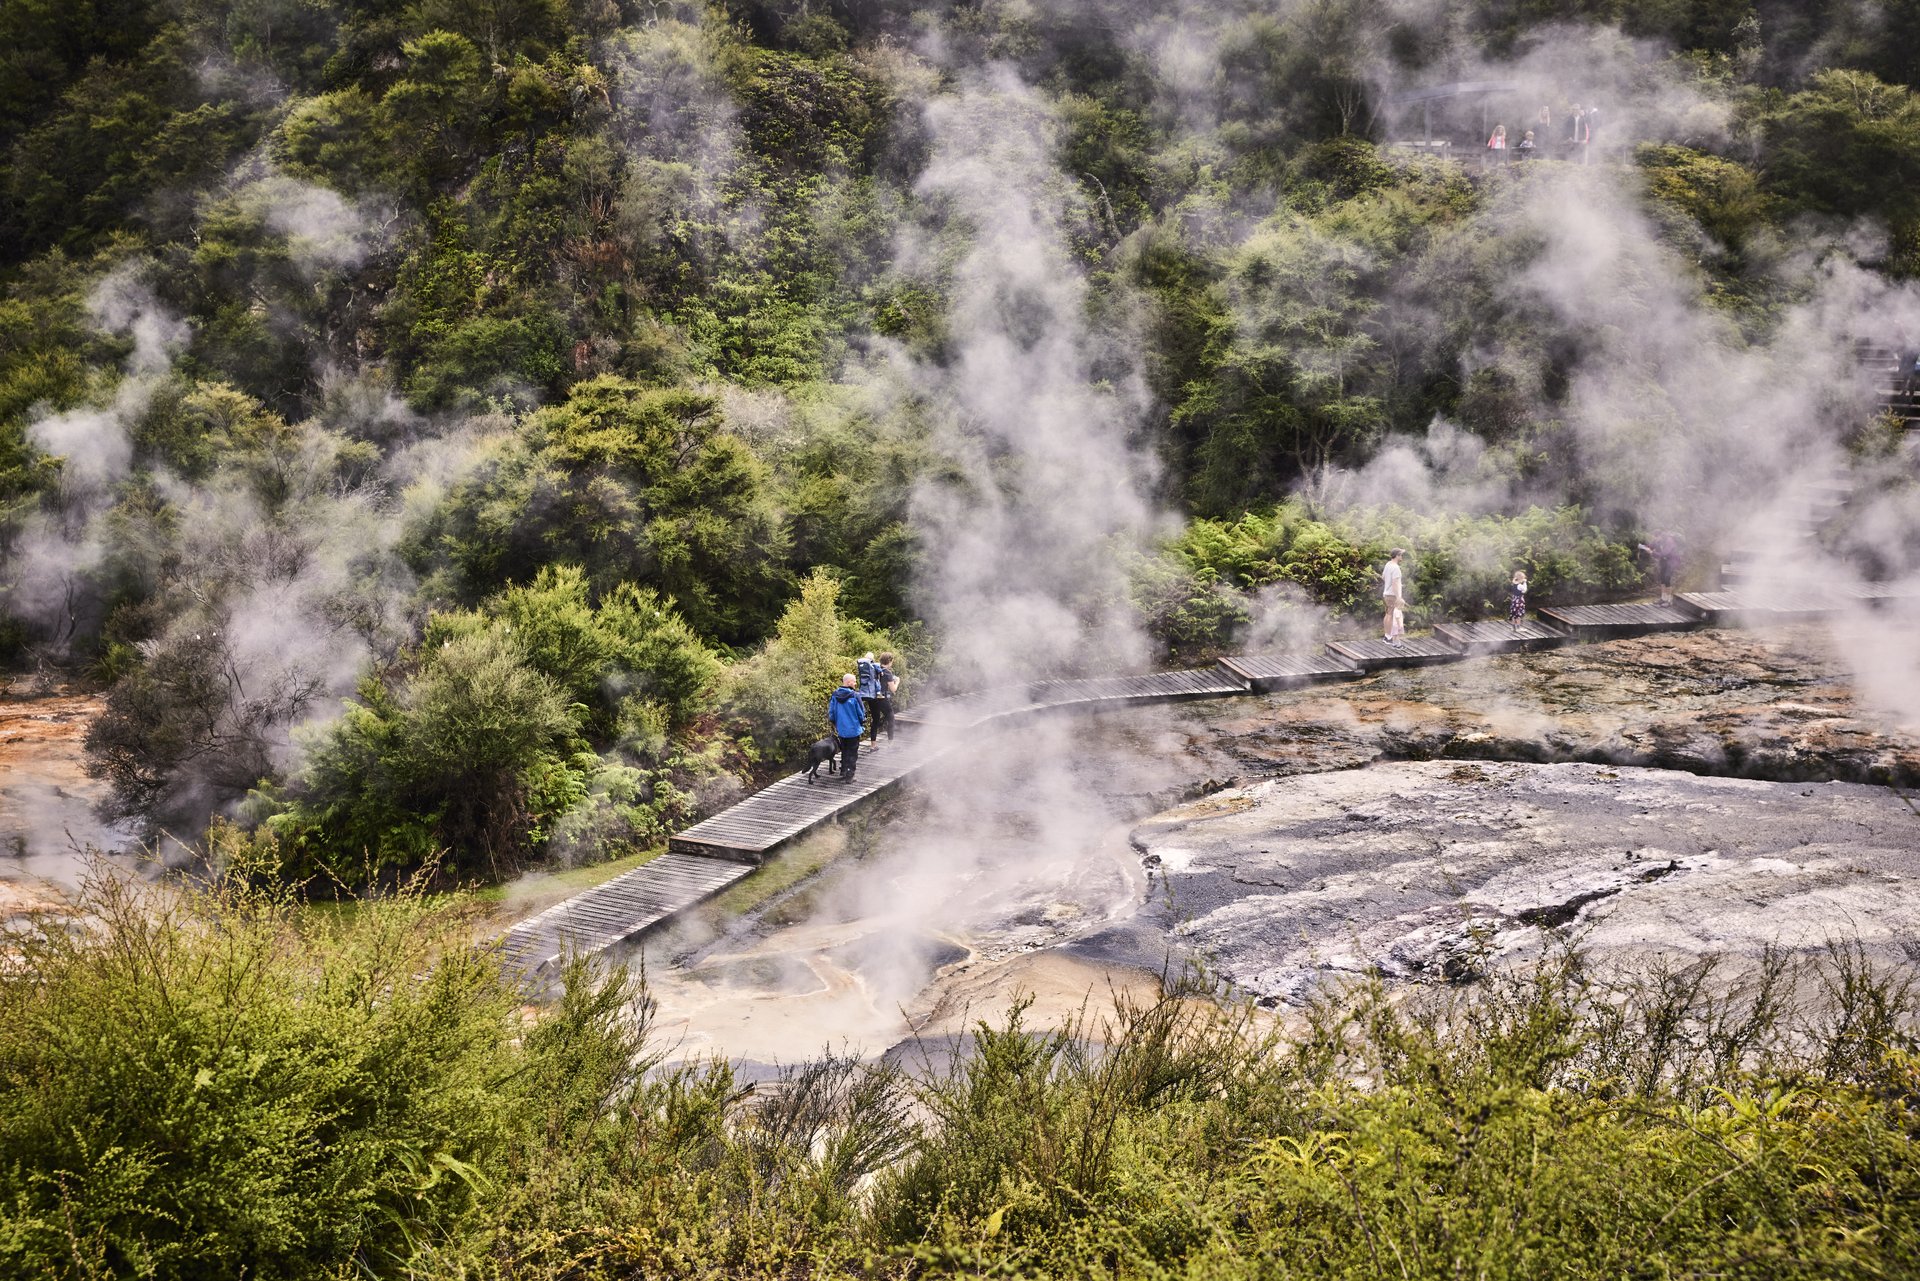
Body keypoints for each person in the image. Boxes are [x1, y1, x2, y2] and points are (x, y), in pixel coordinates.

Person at [828, 673, 866, 784]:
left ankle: (843, 771)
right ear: (849, 682)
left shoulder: (835, 695)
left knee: (844, 750)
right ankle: (850, 775)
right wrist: (862, 722)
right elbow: (861, 713)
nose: (855, 683)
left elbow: (832, 713)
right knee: (853, 753)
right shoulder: (855, 696)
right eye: (854, 681)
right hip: (853, 730)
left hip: (841, 729)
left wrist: (836, 724)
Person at [1636, 530, 1680, 606]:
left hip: (1672, 562)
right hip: (1663, 562)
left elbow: (1664, 554)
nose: (1655, 539)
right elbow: (1650, 546)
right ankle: (1663, 598)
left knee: (1667, 578)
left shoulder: (1669, 541)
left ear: (1660, 536)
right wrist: (1642, 547)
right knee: (1662, 578)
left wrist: (1652, 553)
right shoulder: (1657, 541)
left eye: (1656, 537)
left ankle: (1669, 600)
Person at [855, 651, 884, 741]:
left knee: (874, 717)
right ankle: (879, 693)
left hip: (865, 692)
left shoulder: (862, 665)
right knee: (876, 718)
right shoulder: (874, 664)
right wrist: (881, 673)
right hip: (873, 693)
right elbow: (880, 672)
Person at [871, 652, 898, 741]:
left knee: (875, 721)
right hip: (882, 698)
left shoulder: (874, 669)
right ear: (889, 661)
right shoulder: (887, 672)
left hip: (872, 697)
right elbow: (893, 689)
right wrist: (897, 681)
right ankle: (891, 744)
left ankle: (872, 746)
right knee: (891, 718)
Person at [1382, 548, 1406, 643]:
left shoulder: (1388, 564)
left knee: (1388, 614)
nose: (1402, 557)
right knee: (1390, 615)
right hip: (1392, 596)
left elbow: (1384, 577)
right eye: (1401, 555)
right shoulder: (1396, 568)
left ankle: (1386, 636)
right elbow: (1395, 582)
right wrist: (1398, 597)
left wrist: (1394, 585)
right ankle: (1388, 638)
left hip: (1387, 594)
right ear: (1397, 555)